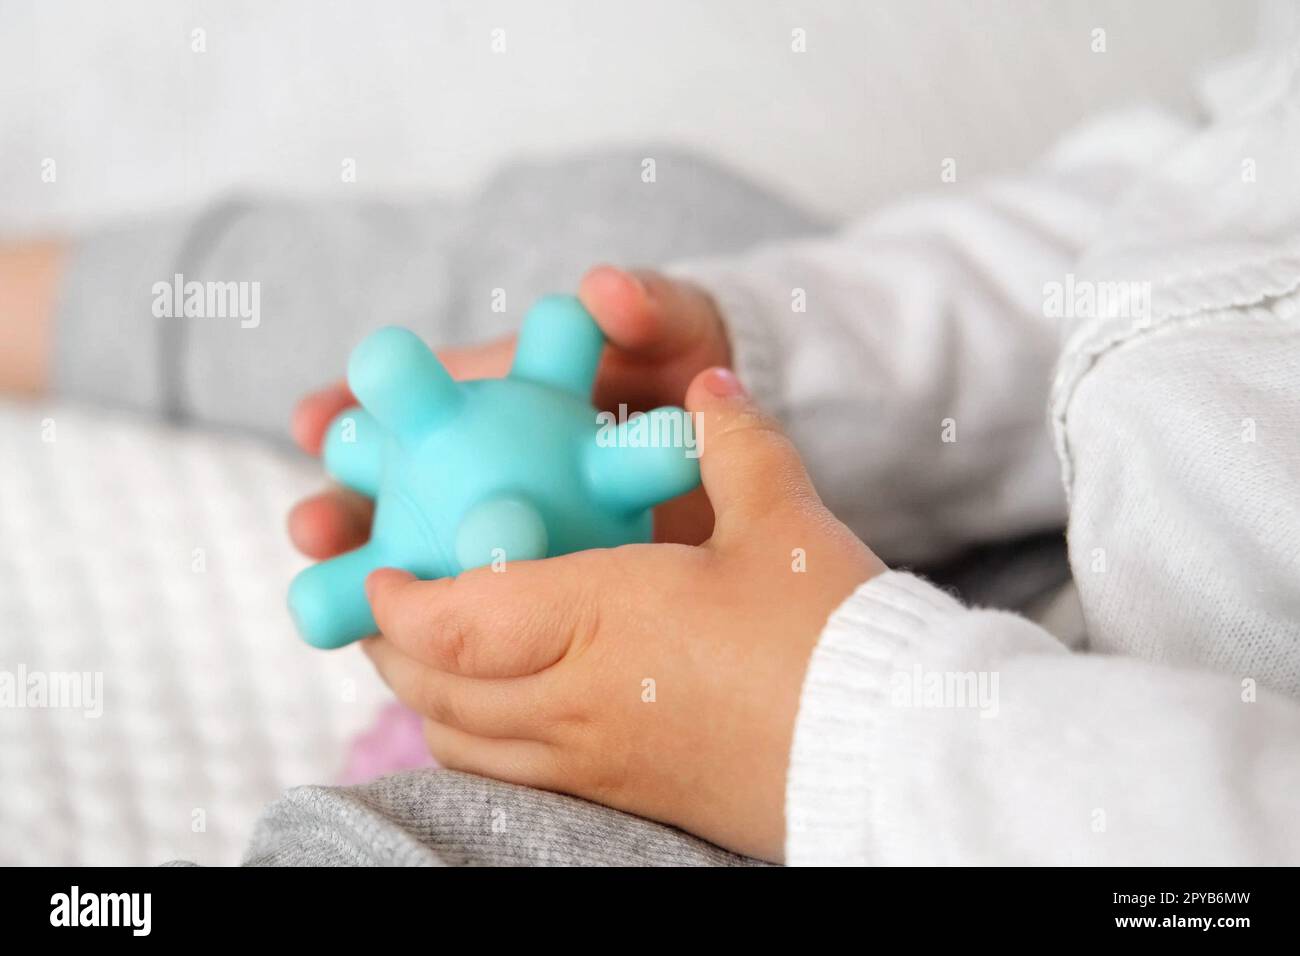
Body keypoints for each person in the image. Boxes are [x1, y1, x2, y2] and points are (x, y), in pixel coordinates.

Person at [7, 35, 1300, 865]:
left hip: (1039, 796)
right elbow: (1176, 218)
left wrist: (824, 731)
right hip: (1011, 504)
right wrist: (790, 363)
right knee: (611, 235)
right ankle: (51, 298)